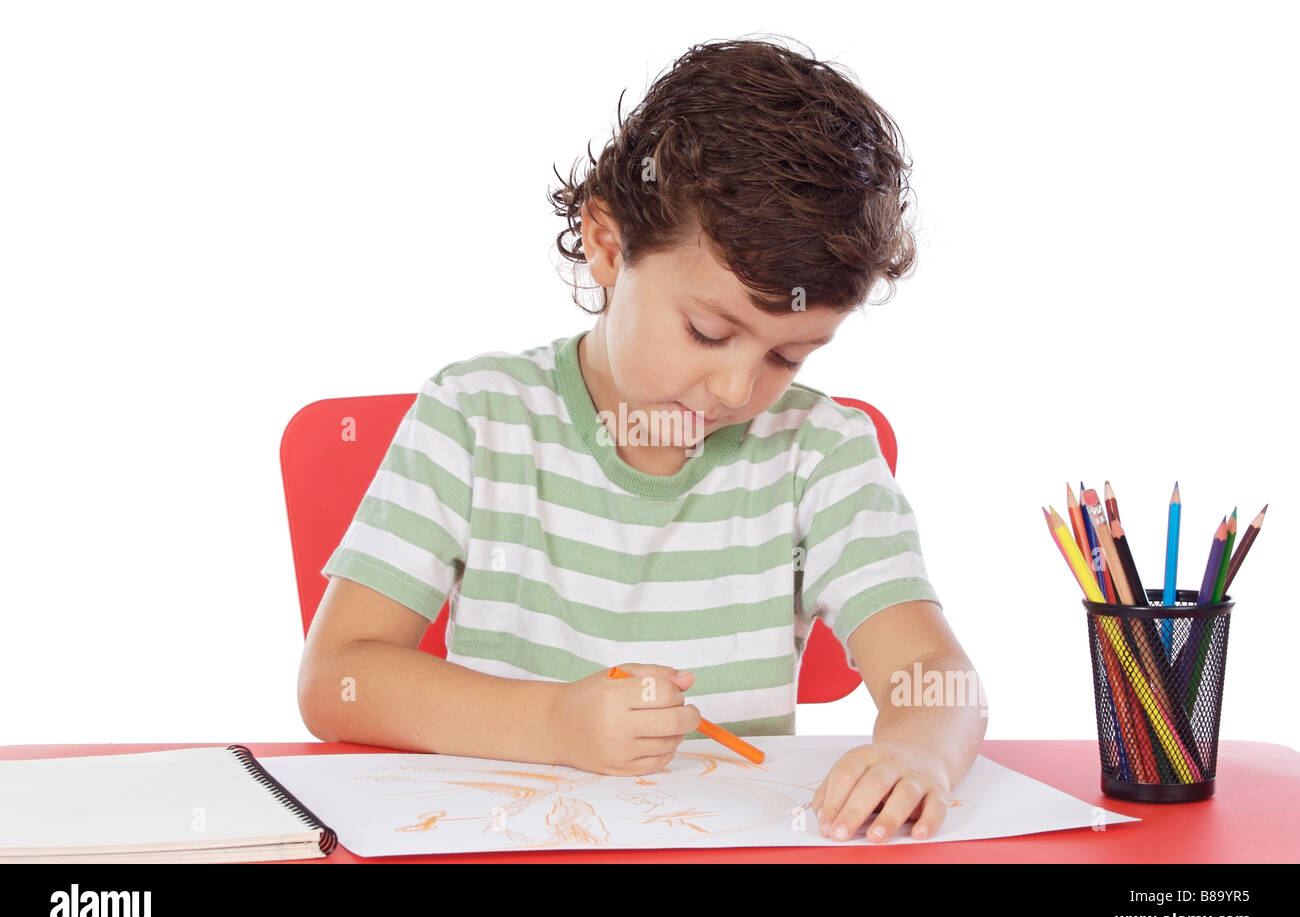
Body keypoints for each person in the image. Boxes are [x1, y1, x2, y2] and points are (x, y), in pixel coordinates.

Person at [298, 35, 986, 845]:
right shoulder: (477, 416)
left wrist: (916, 755)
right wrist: (556, 722)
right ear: (608, 245)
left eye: (786, 355)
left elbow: (940, 680)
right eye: (706, 330)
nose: (738, 390)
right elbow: (337, 677)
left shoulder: (821, 453)